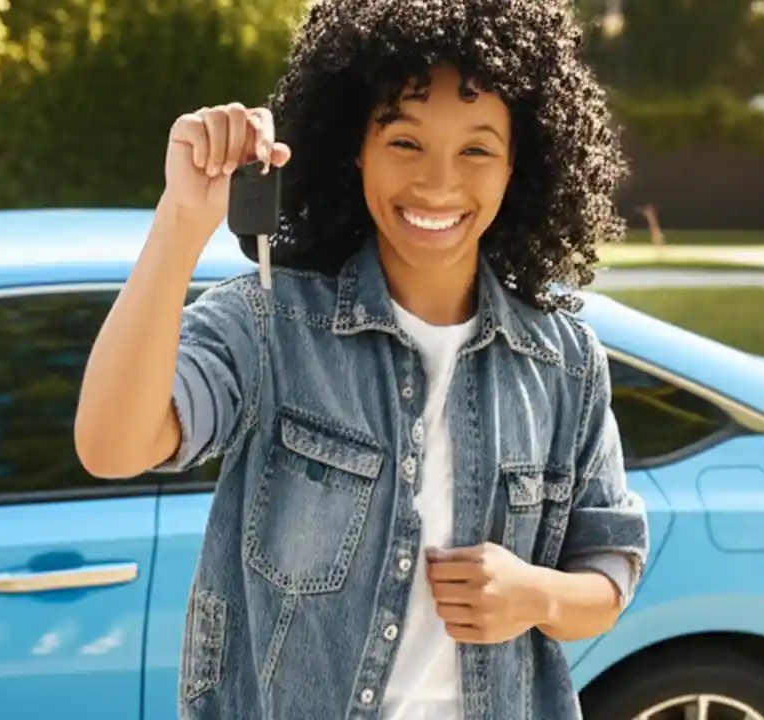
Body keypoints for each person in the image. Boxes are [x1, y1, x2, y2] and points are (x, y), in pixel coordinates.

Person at [74, 0, 649, 717]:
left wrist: (536, 595)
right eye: (405, 142)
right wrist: (183, 220)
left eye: (475, 150)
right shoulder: (270, 325)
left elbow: (610, 569)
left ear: (518, 168)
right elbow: (111, 445)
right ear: (356, 148)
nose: (439, 183)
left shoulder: (565, 363)